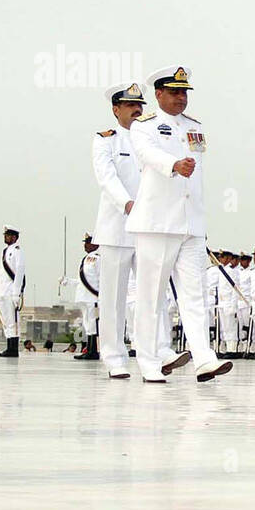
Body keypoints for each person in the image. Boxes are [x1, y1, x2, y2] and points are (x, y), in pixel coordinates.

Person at [127, 65, 232, 383]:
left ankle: (203, 358)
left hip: (191, 224)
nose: (181, 98)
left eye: (184, 92)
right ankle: (148, 360)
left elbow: (197, 173)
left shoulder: (194, 127)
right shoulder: (144, 126)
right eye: (174, 92)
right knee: (152, 297)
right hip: (158, 223)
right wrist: (173, 164)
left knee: (194, 294)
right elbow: (146, 154)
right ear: (158, 94)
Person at [91, 82, 145, 377]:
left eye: (139, 106)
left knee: (152, 293)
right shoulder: (105, 140)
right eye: (129, 106)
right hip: (116, 228)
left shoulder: (150, 139)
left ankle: (155, 351)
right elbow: (106, 177)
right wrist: (127, 202)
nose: (137, 110)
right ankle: (113, 356)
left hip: (148, 228)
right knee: (113, 297)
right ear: (116, 110)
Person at [0, 225, 26, 357]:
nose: (5, 237)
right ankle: (8, 347)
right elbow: (3, 274)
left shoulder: (17, 251)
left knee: (13, 320)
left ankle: (13, 349)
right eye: (5, 235)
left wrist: (16, 293)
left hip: (11, 292)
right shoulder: (6, 251)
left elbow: (19, 272)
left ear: (14, 237)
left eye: (8, 235)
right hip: (3, 291)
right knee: (6, 320)